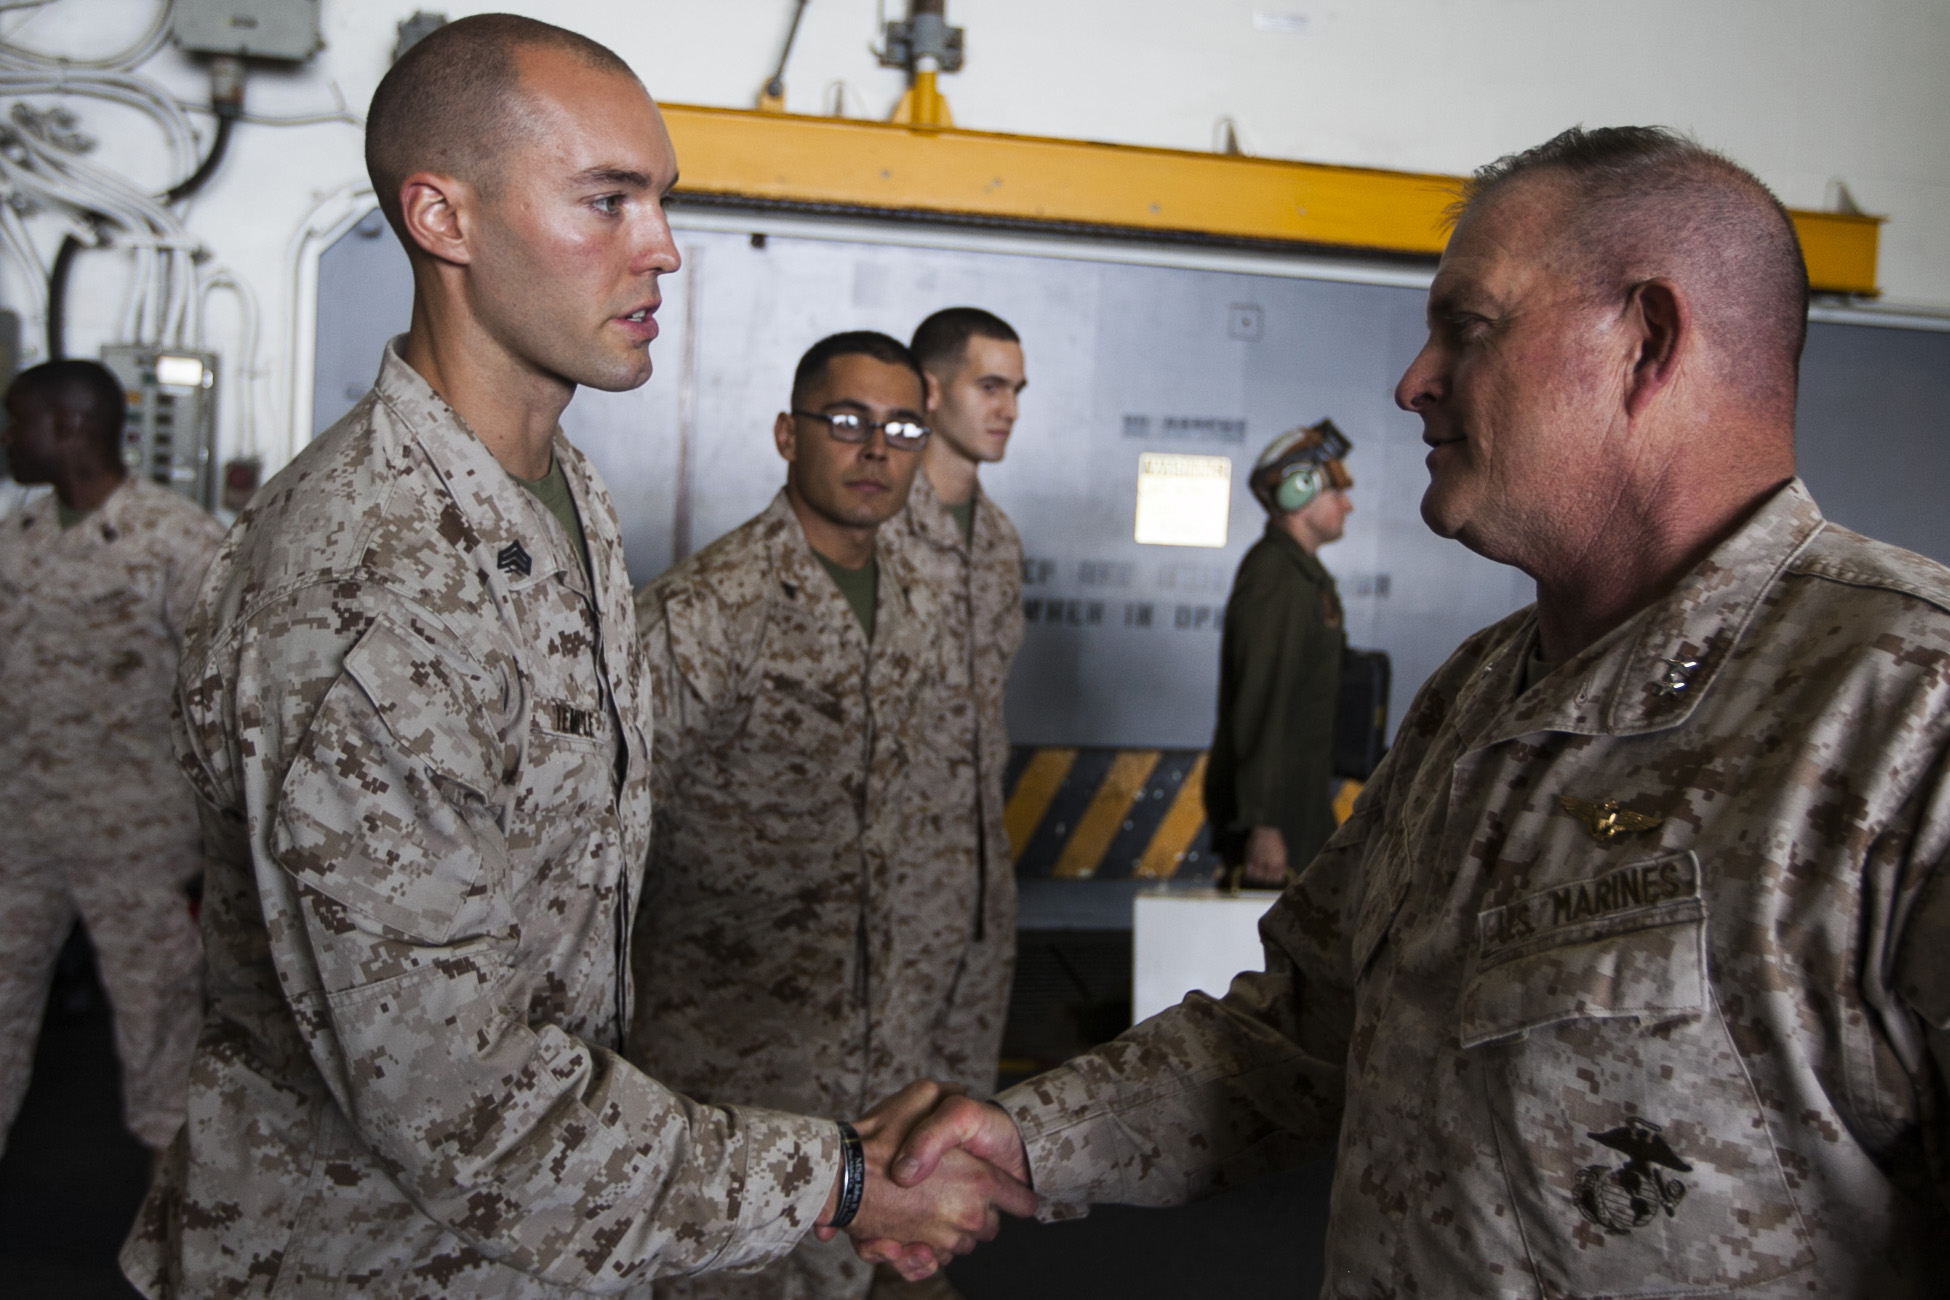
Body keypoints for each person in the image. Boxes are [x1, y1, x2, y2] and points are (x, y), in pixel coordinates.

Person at [878, 126, 1950, 1296]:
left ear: (1645, 340)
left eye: (1469, 327)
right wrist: (1023, 1140)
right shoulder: (1478, 697)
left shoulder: (1906, 709)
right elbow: (1306, 1031)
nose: (1413, 382)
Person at [121, 18, 1027, 1300]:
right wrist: (837, 1180)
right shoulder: (364, 584)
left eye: (661, 200)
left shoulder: (561, 497)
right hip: (364, 1262)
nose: (662, 246)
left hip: (542, 1250)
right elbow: (461, 1103)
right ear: (442, 217)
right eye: (607, 200)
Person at [632, 330, 989, 1300]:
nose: (876, 449)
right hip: (727, 1079)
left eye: (902, 428)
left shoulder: (924, 603)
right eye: (848, 421)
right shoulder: (704, 612)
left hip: (876, 1075)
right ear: (789, 434)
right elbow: (598, 849)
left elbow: (934, 827)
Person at [0, 359, 221, 1161]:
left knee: (162, 1037)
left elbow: (227, 693)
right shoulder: (18, 532)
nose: (7, 438)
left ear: (66, 427)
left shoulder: (177, 541)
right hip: (19, 830)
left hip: (136, 841)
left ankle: (175, 1220)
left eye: (16, 420)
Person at [882, 307, 1028, 1095]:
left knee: (958, 1115)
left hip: (977, 888)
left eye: (1017, 391)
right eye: (991, 386)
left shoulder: (999, 541)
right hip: (883, 888)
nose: (1008, 409)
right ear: (931, 392)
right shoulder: (874, 525)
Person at [1204, 421, 1354, 887]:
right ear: (1297, 494)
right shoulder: (1276, 577)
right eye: (1336, 492)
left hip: (1298, 804)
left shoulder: (1300, 574)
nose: (1347, 504)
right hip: (1276, 820)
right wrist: (1263, 824)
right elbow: (1262, 699)